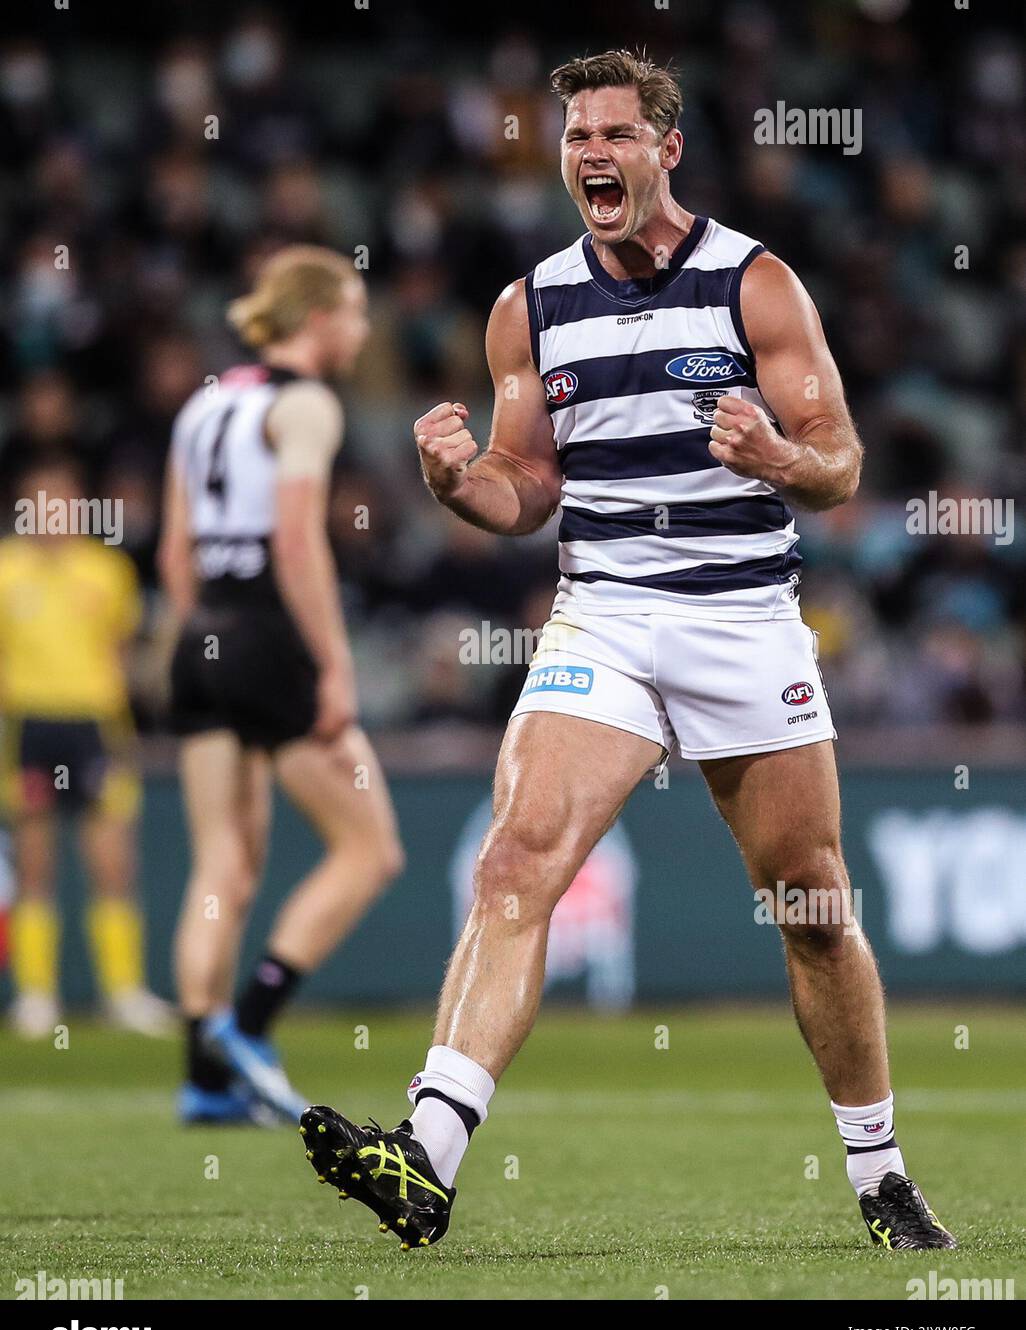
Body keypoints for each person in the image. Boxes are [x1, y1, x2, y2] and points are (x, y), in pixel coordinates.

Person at [300, 51, 955, 1253]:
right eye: (574, 136)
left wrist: (780, 463)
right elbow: (528, 487)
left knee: (810, 905)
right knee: (514, 863)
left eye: (613, 133)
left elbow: (843, 461)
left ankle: (879, 1172)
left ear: (666, 149)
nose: (589, 154)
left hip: (743, 618)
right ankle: (428, 1155)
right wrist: (459, 483)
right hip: (603, 615)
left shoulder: (754, 285)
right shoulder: (529, 304)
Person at [158, 245, 403, 1125]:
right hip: (270, 633)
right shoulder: (305, 405)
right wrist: (332, 662)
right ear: (317, 318)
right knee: (370, 848)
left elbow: (173, 553)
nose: (364, 328)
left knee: (223, 861)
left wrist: (201, 639)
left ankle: (203, 1075)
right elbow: (298, 541)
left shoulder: (205, 403)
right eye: (355, 311)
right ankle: (251, 1029)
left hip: (202, 636)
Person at [0, 457, 172, 1038]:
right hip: (29, 726)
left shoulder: (107, 572)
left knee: (112, 862)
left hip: (95, 727)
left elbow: (123, 653)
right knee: (35, 862)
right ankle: (35, 996)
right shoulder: (5, 571)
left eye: (62, 500)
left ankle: (123, 993)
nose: (51, 514)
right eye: (40, 502)